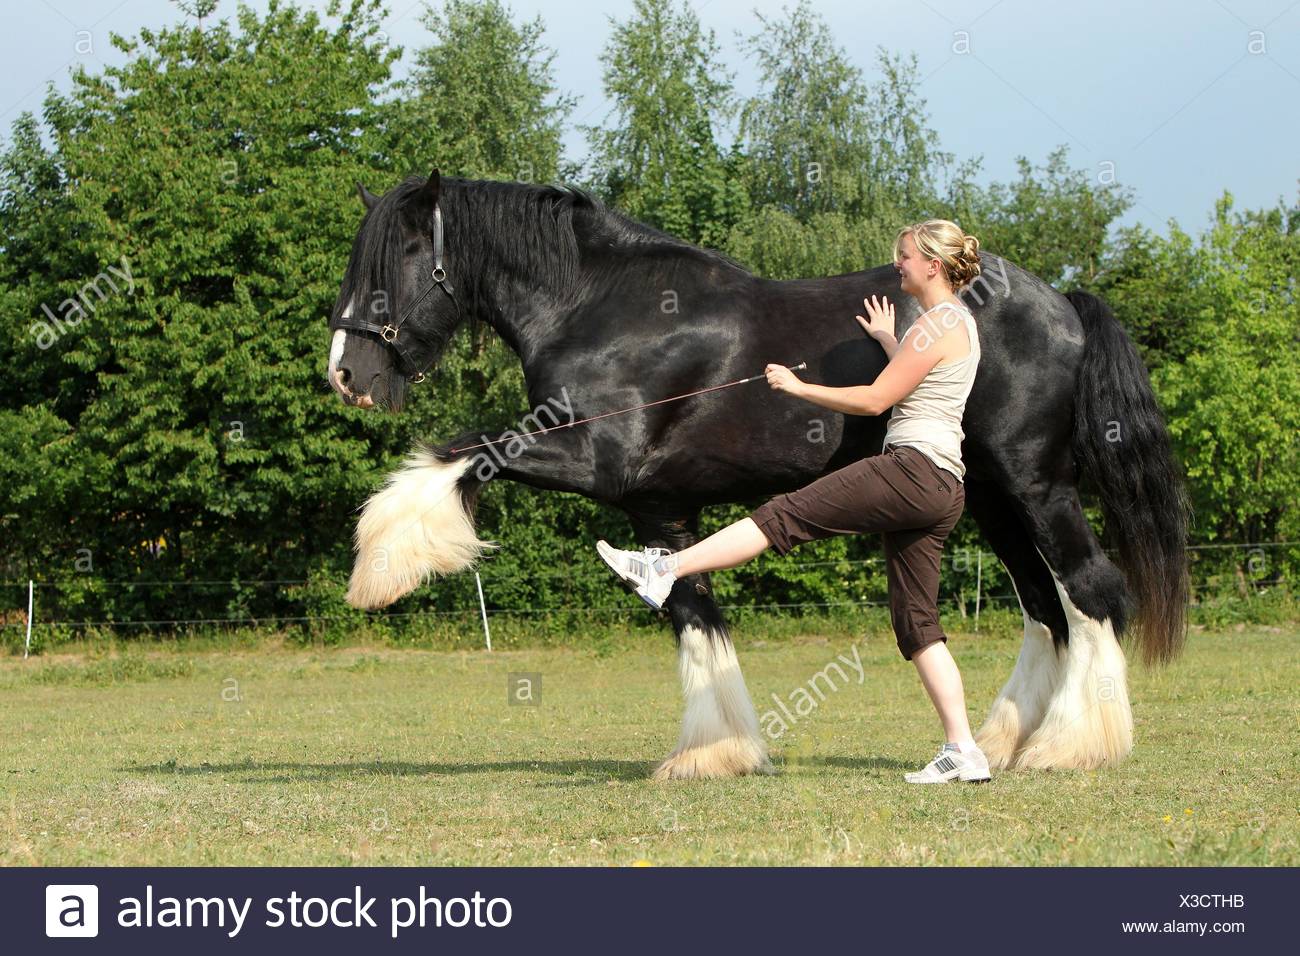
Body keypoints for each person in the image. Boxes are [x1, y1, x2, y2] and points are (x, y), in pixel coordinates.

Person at [596, 219, 989, 785]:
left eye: (903, 255)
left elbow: (879, 398)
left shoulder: (934, 325)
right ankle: (963, 749)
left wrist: (798, 387)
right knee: (917, 624)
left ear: (932, 264)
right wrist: (887, 342)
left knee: (783, 516)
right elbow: (919, 376)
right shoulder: (955, 323)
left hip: (911, 470)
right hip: (943, 485)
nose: (896, 263)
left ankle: (663, 567)